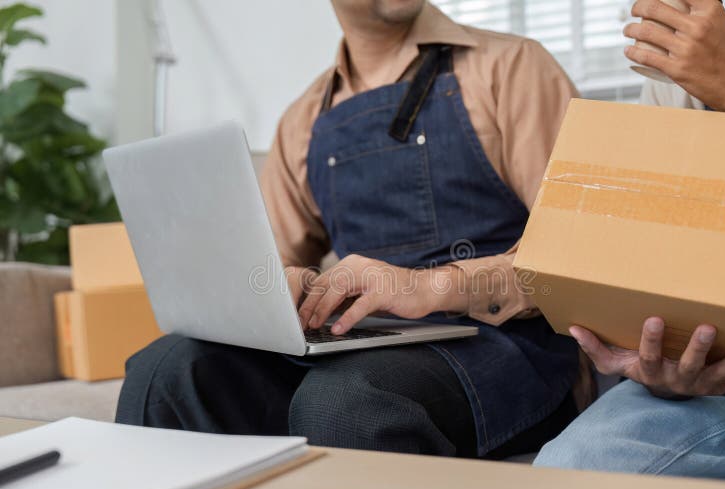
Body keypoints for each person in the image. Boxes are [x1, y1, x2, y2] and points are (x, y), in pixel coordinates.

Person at [115, 0, 592, 459]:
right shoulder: (303, 121)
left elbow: (580, 249)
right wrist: (286, 288)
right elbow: (268, 266)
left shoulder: (512, 68)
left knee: (345, 404)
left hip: (507, 347)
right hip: (365, 348)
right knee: (163, 374)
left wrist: (432, 285)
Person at [535, 0, 725, 486]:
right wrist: (660, 363)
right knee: (567, 473)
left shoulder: (717, 56)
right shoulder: (690, 53)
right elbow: (660, 255)